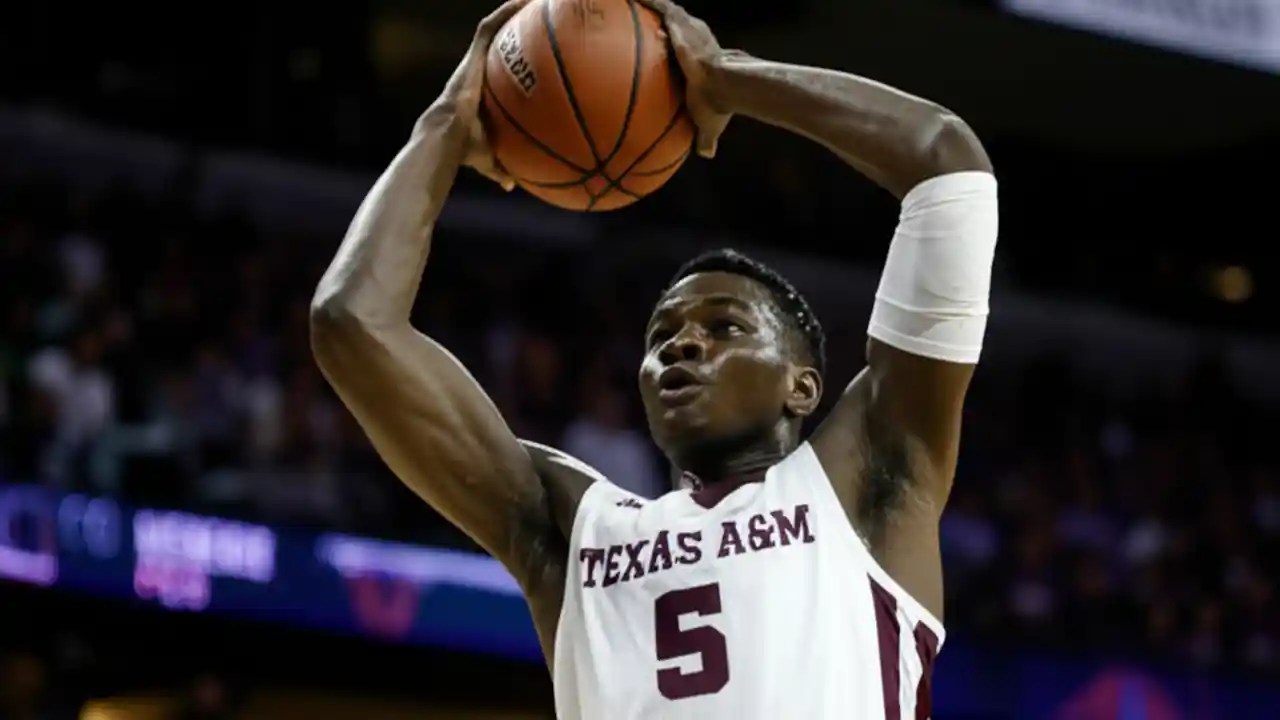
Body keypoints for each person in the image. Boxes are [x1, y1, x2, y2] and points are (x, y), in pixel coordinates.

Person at [310, 0, 998, 717]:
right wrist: (447, 124)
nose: (684, 342)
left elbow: (946, 165)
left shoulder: (868, 483)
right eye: (661, 335)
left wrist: (727, 78)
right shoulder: (573, 529)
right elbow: (351, 323)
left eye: (726, 326)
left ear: (802, 387)